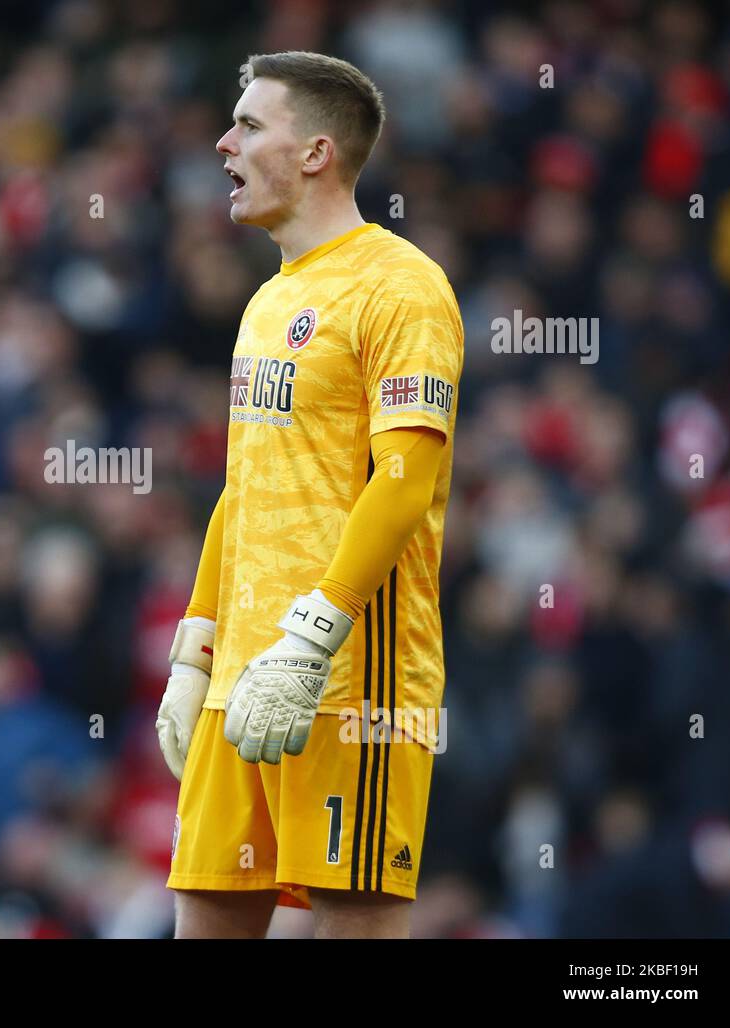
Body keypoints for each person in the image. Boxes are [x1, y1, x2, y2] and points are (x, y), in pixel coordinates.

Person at [156, 51, 464, 939]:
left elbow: (404, 480)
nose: (224, 142)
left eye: (249, 125)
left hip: (351, 684)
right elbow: (242, 489)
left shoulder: (402, 287)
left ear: (319, 151)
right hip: (243, 683)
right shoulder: (267, 302)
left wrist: (314, 634)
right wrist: (195, 649)